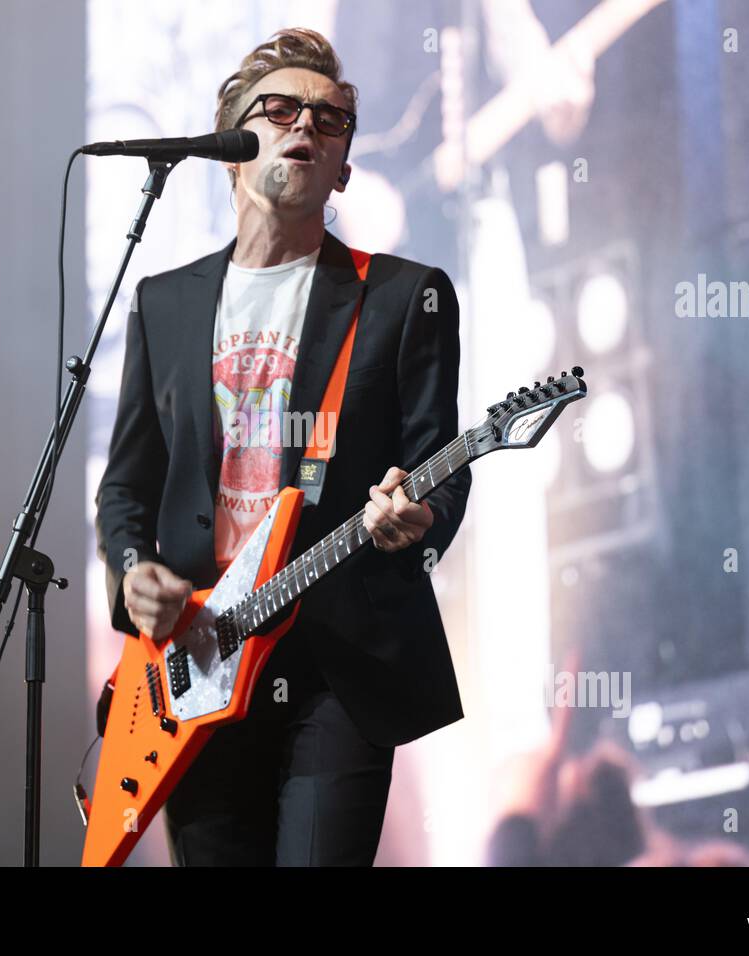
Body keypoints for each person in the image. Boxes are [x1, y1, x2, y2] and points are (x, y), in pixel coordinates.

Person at [93, 28, 471, 866]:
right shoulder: (165, 304)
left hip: (335, 658)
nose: (307, 124)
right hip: (196, 662)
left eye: (330, 119)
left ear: (342, 167)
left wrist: (418, 518)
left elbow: (439, 469)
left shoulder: (406, 297)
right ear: (233, 150)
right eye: (281, 108)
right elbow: (125, 489)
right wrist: (132, 574)